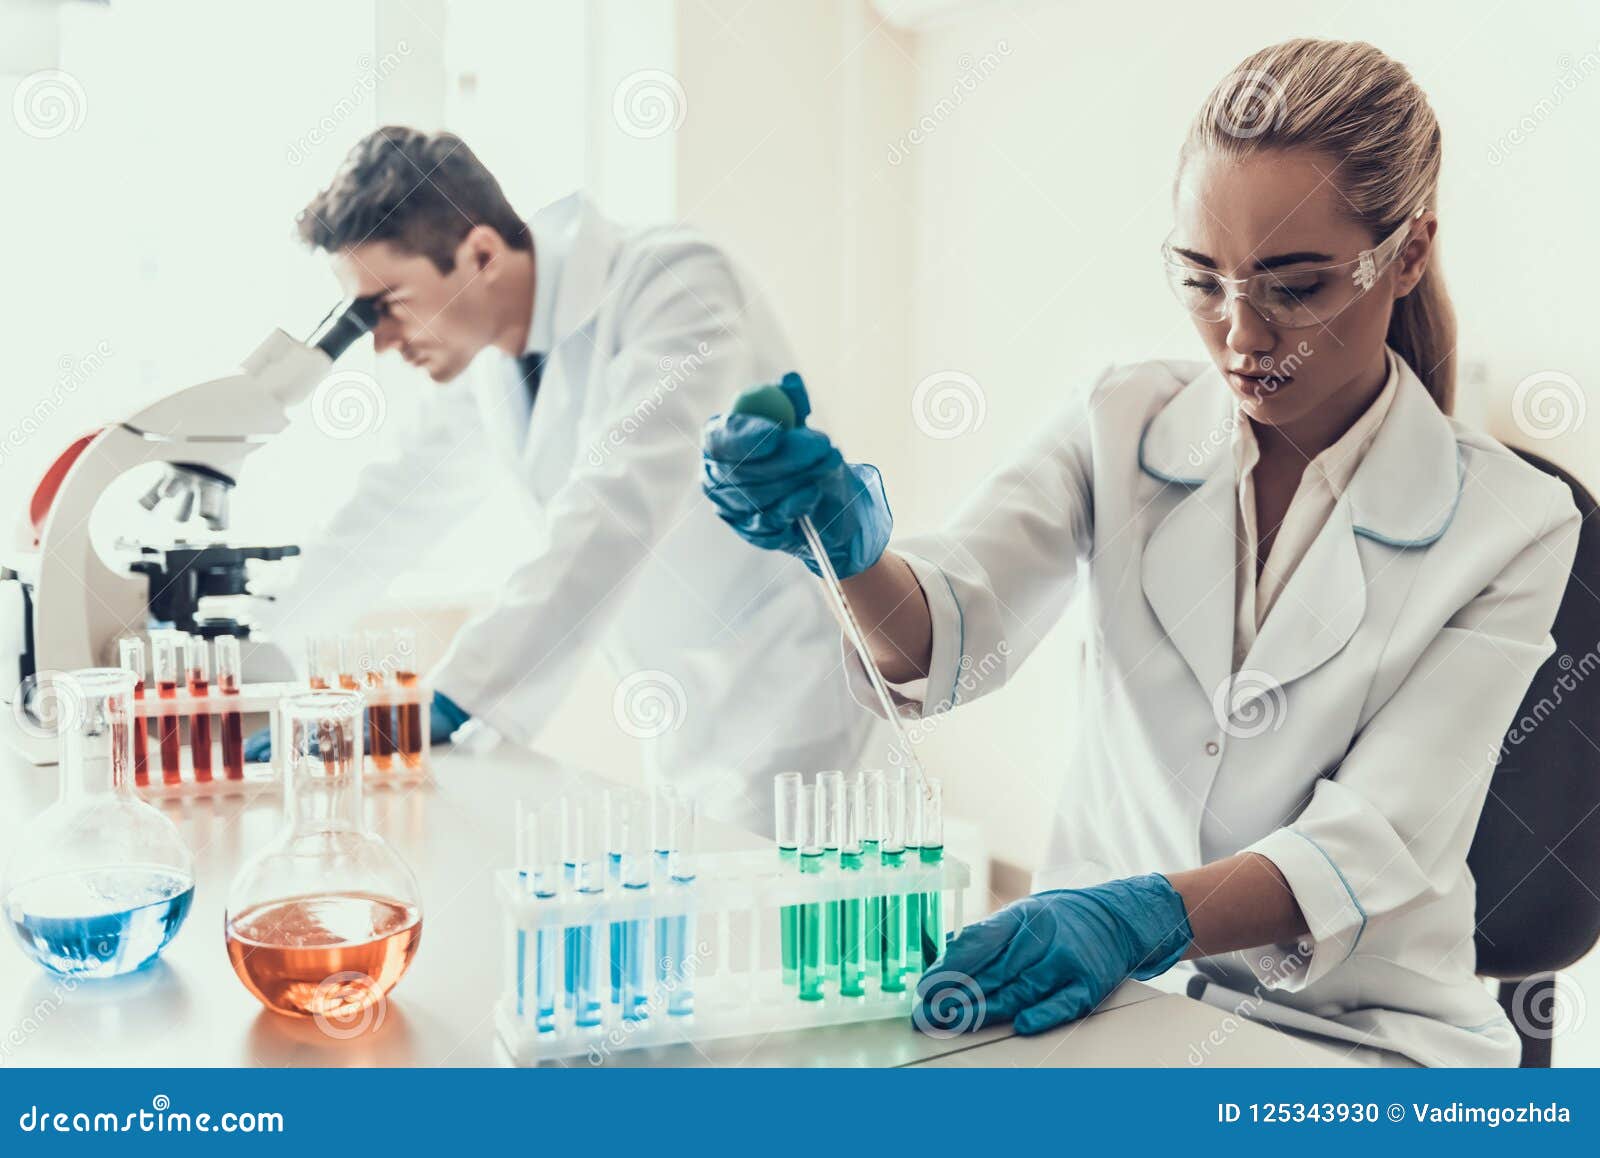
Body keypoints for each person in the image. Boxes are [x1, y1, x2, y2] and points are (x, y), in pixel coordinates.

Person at [701, 38, 1582, 1066]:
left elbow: (1379, 834)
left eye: (1295, 287)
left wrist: (1135, 914)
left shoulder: (1515, 523)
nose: (1241, 335)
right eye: (1203, 280)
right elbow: (943, 637)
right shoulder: (1122, 422)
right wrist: (842, 553)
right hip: (1103, 1002)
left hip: (1356, 1040)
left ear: (1408, 251)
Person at [253, 127, 883, 833]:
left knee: (792, 926)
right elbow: (390, 507)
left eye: (388, 303)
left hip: (789, 688)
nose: (382, 341)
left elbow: (617, 501)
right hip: (680, 706)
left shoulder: (675, 281)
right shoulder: (490, 359)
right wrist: (255, 647)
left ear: (481, 253)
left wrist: (456, 693)